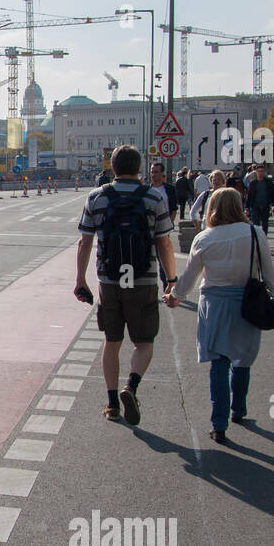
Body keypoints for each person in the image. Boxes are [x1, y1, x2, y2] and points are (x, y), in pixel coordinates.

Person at [167, 188, 274, 443]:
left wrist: (175, 296)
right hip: (248, 303)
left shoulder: (204, 238)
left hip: (215, 305)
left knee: (218, 362)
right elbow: (269, 273)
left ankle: (218, 423)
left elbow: (189, 277)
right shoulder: (255, 233)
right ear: (239, 205)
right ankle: (238, 410)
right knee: (242, 359)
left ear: (213, 207)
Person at [74, 145, 177, 425]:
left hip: (109, 279)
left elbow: (85, 241)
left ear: (113, 168)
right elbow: (164, 243)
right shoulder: (154, 198)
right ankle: (130, 387)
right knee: (144, 342)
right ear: (140, 168)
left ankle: (111, 405)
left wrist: (81, 279)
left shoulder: (97, 197)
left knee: (112, 341)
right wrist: (172, 280)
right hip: (142, 279)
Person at [149, 162, 177, 288]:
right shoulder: (146, 189)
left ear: (162, 173)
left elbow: (174, 208)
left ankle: (166, 283)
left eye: (156, 172)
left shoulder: (169, 189)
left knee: (162, 256)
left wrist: (169, 225)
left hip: (163, 229)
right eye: (152, 172)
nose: (153, 174)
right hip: (149, 229)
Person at [243, 163, 274, 235]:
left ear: (264, 172)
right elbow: (249, 196)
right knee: (255, 224)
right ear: (256, 172)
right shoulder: (253, 183)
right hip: (255, 206)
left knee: (265, 224)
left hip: (265, 205)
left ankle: (264, 238)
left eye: (262, 171)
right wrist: (247, 207)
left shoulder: (268, 182)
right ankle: (257, 238)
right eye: (259, 171)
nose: (261, 173)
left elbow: (273, 194)